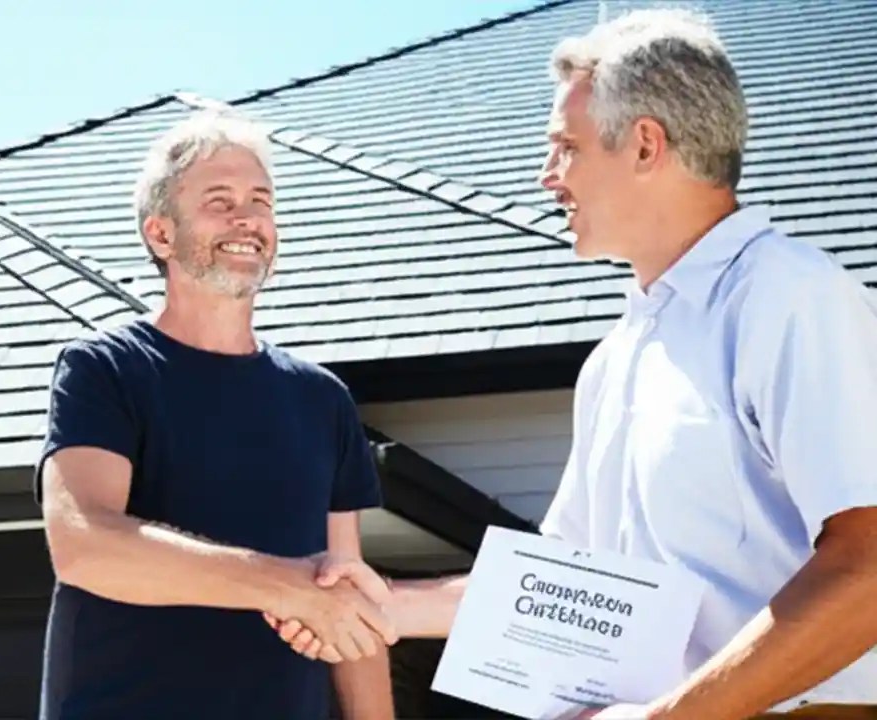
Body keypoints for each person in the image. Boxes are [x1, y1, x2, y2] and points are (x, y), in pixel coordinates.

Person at [265, 8, 877, 719]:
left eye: (566, 147)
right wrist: (381, 605)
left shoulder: (790, 297)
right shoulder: (618, 356)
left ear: (645, 145)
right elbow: (563, 586)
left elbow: (867, 565)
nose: (546, 176)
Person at [35, 109, 397, 720]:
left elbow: (345, 595)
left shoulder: (323, 399)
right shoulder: (105, 369)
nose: (247, 218)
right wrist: (289, 587)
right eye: (219, 201)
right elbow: (84, 545)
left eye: (261, 201)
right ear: (161, 234)